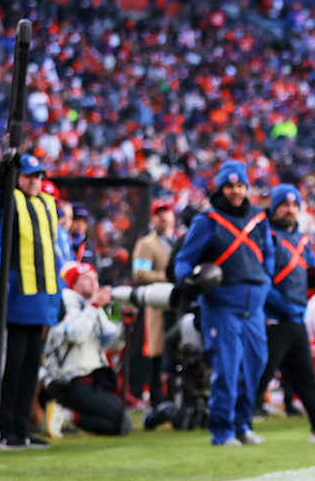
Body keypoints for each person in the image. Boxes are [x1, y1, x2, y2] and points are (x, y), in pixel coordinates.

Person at [173, 160, 275, 446]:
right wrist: (189, 279)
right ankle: (222, 430)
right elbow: (184, 259)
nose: (236, 191)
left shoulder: (259, 218)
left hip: (254, 305)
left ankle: (243, 424)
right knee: (227, 369)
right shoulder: (206, 221)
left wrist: (265, 280)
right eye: (230, 186)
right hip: (221, 303)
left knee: (256, 365)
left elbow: (268, 253)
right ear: (221, 187)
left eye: (240, 185)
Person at [0, 153, 63, 450]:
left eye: (39, 176)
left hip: (42, 298)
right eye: (29, 176)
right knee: (11, 367)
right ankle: (4, 429)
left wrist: (57, 296)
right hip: (16, 298)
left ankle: (21, 428)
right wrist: (1, 181)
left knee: (29, 369)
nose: (35, 182)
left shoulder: (48, 205)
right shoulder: (8, 201)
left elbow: (52, 253)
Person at [256, 184, 315, 443]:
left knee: (304, 375)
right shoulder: (266, 234)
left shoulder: (300, 239)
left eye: (293, 205)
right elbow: (261, 278)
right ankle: (236, 423)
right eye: (284, 205)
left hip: (295, 316)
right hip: (273, 317)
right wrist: (280, 305)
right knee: (262, 372)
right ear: (274, 208)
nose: (289, 210)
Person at [41, 262, 132, 437]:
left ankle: (68, 415)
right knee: (121, 421)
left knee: (122, 424)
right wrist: (94, 307)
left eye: (95, 278)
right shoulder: (65, 302)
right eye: (86, 279)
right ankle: (63, 411)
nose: (93, 283)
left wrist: (120, 318)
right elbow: (76, 335)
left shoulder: (92, 305)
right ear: (74, 283)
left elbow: (113, 343)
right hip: (69, 380)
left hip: (92, 379)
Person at [131, 199, 176, 409]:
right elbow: (139, 274)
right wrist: (167, 277)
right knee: (156, 350)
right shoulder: (147, 244)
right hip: (156, 303)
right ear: (153, 218)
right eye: (159, 213)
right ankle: (156, 396)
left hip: (175, 302)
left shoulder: (175, 241)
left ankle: (172, 395)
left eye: (167, 212)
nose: (164, 217)